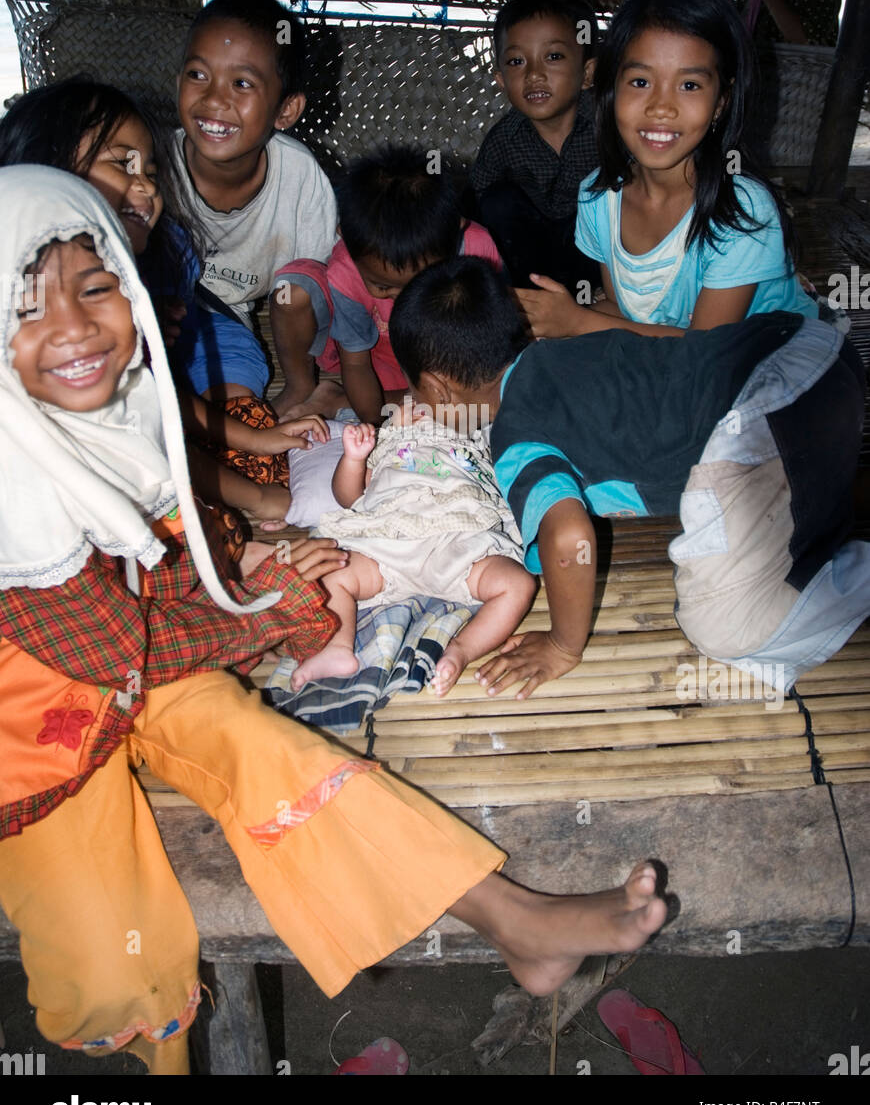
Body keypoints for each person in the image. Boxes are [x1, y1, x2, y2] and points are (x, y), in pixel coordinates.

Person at [0, 168, 671, 1073]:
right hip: (31, 731)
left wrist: (258, 560)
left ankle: (517, 919)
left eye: (94, 287)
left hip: (149, 677)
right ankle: (156, 1072)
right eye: (27, 307)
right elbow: (114, 642)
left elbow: (182, 542)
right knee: (113, 960)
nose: (76, 329)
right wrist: (270, 608)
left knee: (285, 759)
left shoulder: (125, 405)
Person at [390, 257, 869, 702]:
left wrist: (562, 645)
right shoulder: (565, 348)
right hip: (813, 350)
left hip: (771, 412)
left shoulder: (518, 434)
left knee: (722, 627)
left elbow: (571, 537)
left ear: (436, 386)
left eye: (416, 392)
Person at [0, 78, 327, 526]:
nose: (148, 187)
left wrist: (256, 440)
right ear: (46, 169)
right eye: (123, 164)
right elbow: (145, 431)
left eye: (151, 172)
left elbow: (150, 393)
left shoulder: (142, 263)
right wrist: (258, 498)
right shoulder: (35, 308)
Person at [517, 0, 819, 342]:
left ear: (721, 102)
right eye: (641, 81)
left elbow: (706, 349)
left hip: (766, 354)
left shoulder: (743, 210)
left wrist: (578, 322)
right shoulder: (598, 198)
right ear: (612, 90)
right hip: (673, 352)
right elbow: (626, 313)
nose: (661, 107)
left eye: (689, 86)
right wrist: (555, 321)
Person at [172, 0, 343, 418]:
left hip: (227, 318)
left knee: (231, 418)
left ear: (285, 110)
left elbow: (311, 287)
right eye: (197, 74)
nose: (213, 99)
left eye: (242, 83)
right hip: (148, 311)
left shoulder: (301, 178)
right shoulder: (153, 164)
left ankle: (303, 386)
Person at [292, 411, 536, 695]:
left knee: (518, 585)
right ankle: (338, 648)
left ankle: (460, 650)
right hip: (387, 543)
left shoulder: (479, 436)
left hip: (459, 542)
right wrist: (353, 458)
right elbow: (349, 497)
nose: (427, 407)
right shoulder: (387, 439)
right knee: (333, 570)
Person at [274, 145, 502, 426]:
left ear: (455, 235)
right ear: (345, 238)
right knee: (290, 289)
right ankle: (309, 389)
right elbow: (356, 363)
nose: (402, 299)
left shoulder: (478, 252)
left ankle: (337, 400)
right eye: (383, 287)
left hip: (439, 359)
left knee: (477, 401)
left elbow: (491, 343)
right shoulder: (346, 274)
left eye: (420, 283)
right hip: (379, 359)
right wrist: (373, 426)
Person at [470, 0, 601, 293]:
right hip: (532, 258)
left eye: (553, 56)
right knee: (496, 202)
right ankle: (525, 300)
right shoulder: (503, 139)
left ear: (586, 74)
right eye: (517, 61)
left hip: (596, 253)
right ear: (501, 79)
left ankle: (598, 299)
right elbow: (478, 199)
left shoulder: (610, 128)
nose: (534, 74)